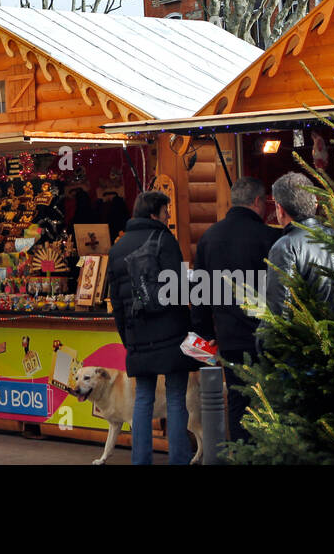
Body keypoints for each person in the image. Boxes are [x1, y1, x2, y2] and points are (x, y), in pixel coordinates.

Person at [107, 190, 204, 465]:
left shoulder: (117, 249)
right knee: (175, 398)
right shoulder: (164, 240)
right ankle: (179, 459)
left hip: (138, 334)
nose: (169, 215)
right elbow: (176, 288)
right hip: (171, 332)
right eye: (166, 210)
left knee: (143, 400)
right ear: (154, 214)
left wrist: (128, 338)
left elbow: (117, 301)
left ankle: (141, 461)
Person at [193, 176, 278, 442]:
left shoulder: (209, 237)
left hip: (229, 338)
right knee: (268, 401)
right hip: (266, 338)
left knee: (239, 403)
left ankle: (242, 454)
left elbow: (199, 293)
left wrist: (205, 334)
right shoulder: (270, 237)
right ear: (257, 202)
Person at [265, 171, 334, 317]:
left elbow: (279, 312)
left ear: (280, 209)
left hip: (311, 337)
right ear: (315, 204)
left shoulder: (286, 247)